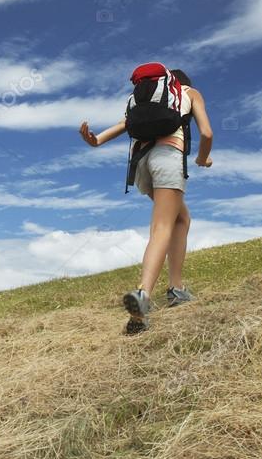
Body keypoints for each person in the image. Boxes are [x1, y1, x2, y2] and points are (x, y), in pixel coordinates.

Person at [78, 68, 213, 334]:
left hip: (141, 167)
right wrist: (201, 158)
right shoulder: (188, 93)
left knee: (181, 218)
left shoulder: (141, 101)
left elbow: (112, 132)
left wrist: (93, 140)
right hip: (166, 159)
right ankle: (143, 295)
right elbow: (207, 133)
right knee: (162, 227)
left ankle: (177, 288)